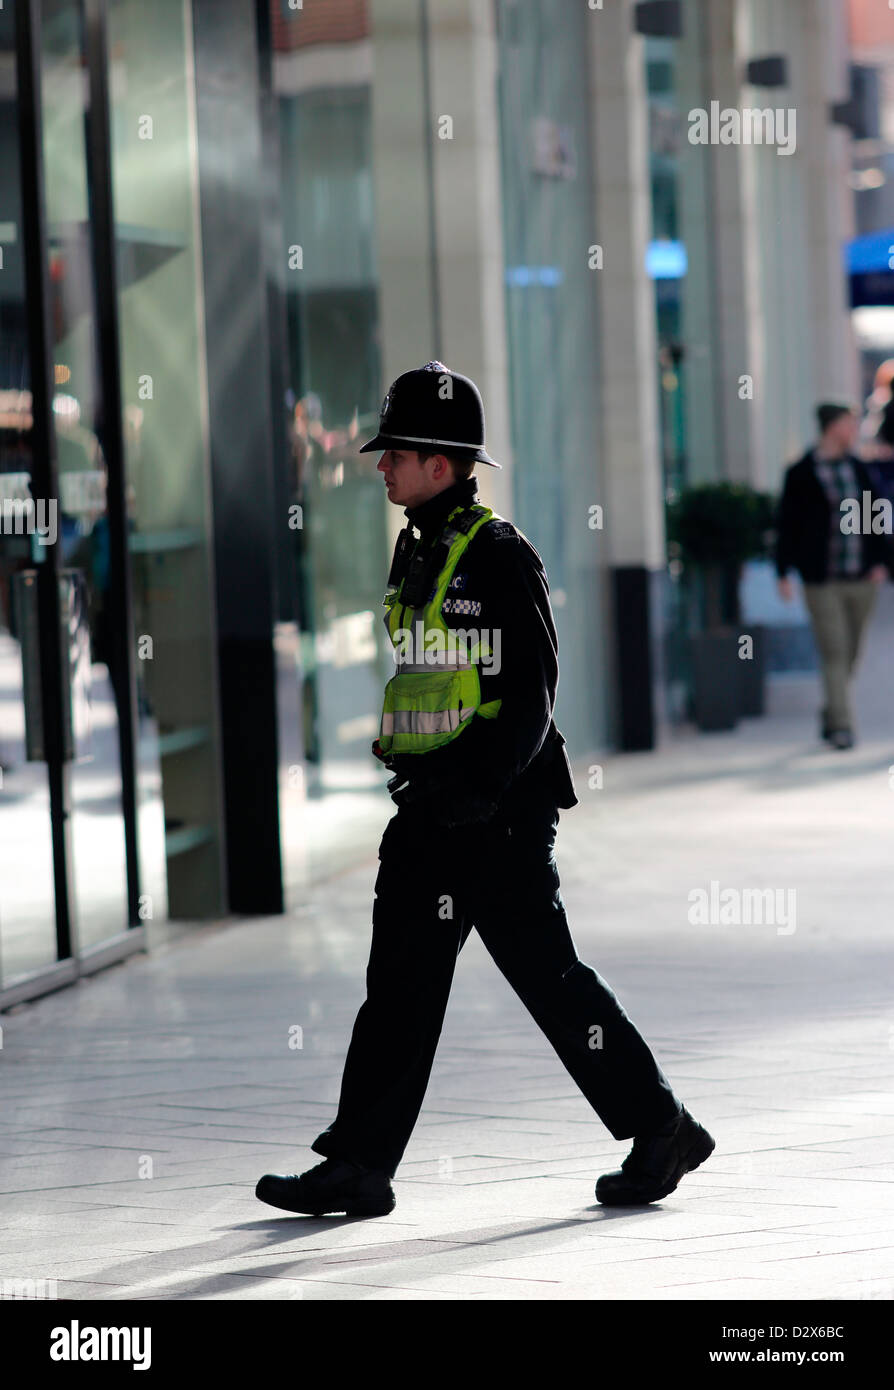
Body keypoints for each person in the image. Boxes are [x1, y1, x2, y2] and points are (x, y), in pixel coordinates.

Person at [256, 362, 714, 1218]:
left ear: (441, 463)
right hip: (432, 806)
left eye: (396, 452)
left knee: (549, 980)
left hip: (497, 817)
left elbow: (536, 689)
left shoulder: (500, 555)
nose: (380, 465)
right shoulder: (417, 547)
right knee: (398, 980)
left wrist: (485, 790)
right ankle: (358, 1162)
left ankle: (662, 1126)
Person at [776, 402, 890, 750]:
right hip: (821, 579)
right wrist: (782, 572)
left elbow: (876, 517)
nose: (855, 430)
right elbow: (787, 525)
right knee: (834, 652)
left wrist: (882, 563)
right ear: (832, 427)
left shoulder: (859, 469)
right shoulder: (801, 473)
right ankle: (842, 726)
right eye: (849, 424)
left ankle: (830, 711)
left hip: (861, 577)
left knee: (851, 654)